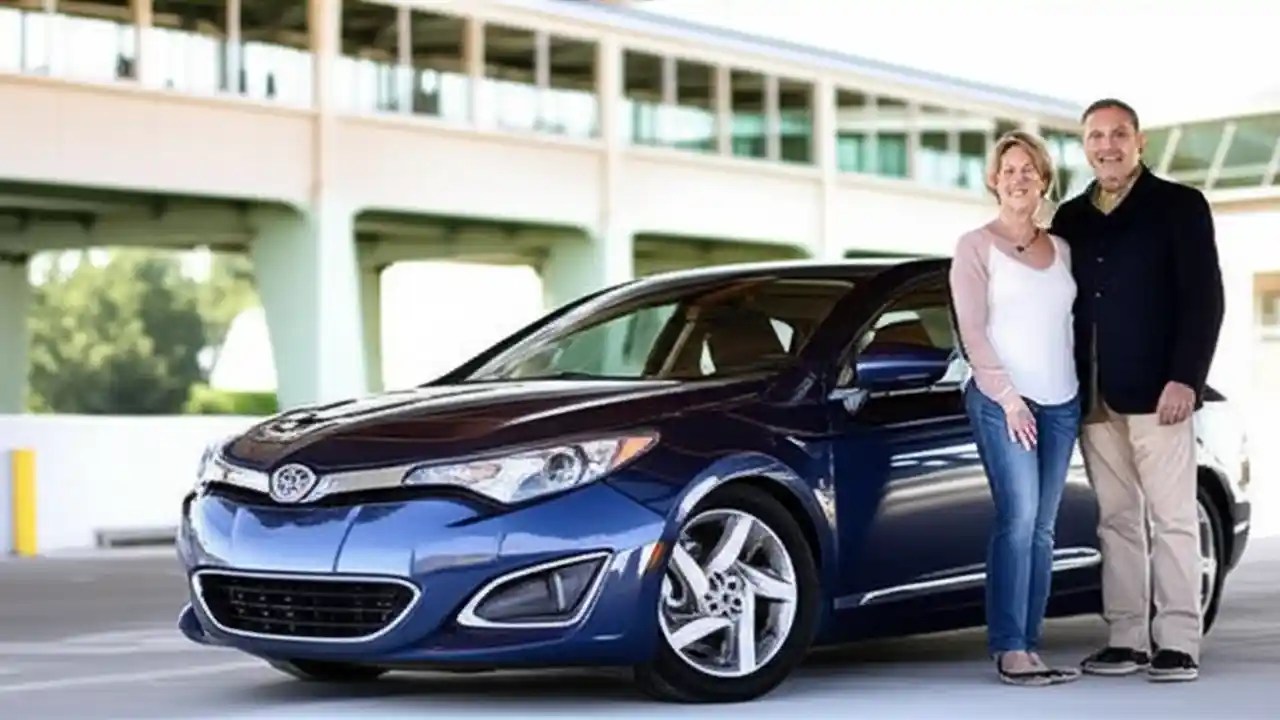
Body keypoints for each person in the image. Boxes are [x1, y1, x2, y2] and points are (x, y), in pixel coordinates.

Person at [1049, 98, 1224, 682]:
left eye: (1118, 134)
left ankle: (1178, 641)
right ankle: (1127, 638)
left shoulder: (1179, 206)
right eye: (1096, 136)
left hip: (1159, 392)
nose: (1108, 145)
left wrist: (1187, 378)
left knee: (1173, 519)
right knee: (1116, 520)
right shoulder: (1070, 217)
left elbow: (1205, 298)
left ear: (1139, 141)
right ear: (1085, 146)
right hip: (1094, 395)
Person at [950, 130, 1083, 687]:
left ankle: (1030, 646)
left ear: (1044, 179)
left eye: (1029, 169)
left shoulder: (1063, 250)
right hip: (1003, 402)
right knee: (1019, 518)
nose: (1018, 178)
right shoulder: (974, 246)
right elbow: (973, 332)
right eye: (1008, 170)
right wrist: (1008, 399)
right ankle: (1009, 647)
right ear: (994, 181)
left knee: (1044, 529)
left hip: (1062, 400)